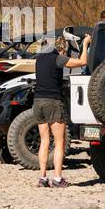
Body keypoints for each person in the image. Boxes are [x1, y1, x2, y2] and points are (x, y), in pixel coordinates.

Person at [33, 33, 90, 188]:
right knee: (59, 142)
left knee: (44, 141)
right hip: (53, 101)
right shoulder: (57, 58)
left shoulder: (39, 59)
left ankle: (43, 177)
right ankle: (58, 178)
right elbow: (83, 61)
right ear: (60, 48)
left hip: (38, 102)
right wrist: (85, 44)